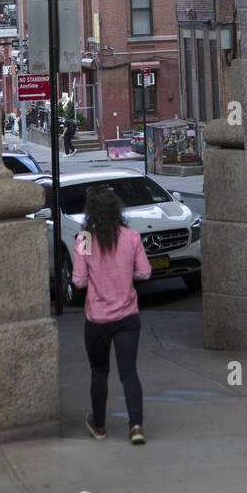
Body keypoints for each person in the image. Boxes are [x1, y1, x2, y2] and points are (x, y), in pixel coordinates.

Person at [71, 187, 152, 444]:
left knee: (99, 372)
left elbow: (79, 282)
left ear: (91, 213)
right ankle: (136, 426)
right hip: (128, 316)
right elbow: (146, 272)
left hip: (97, 319)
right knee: (129, 373)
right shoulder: (132, 237)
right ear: (117, 211)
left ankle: (100, 425)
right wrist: (127, 275)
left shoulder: (84, 240)